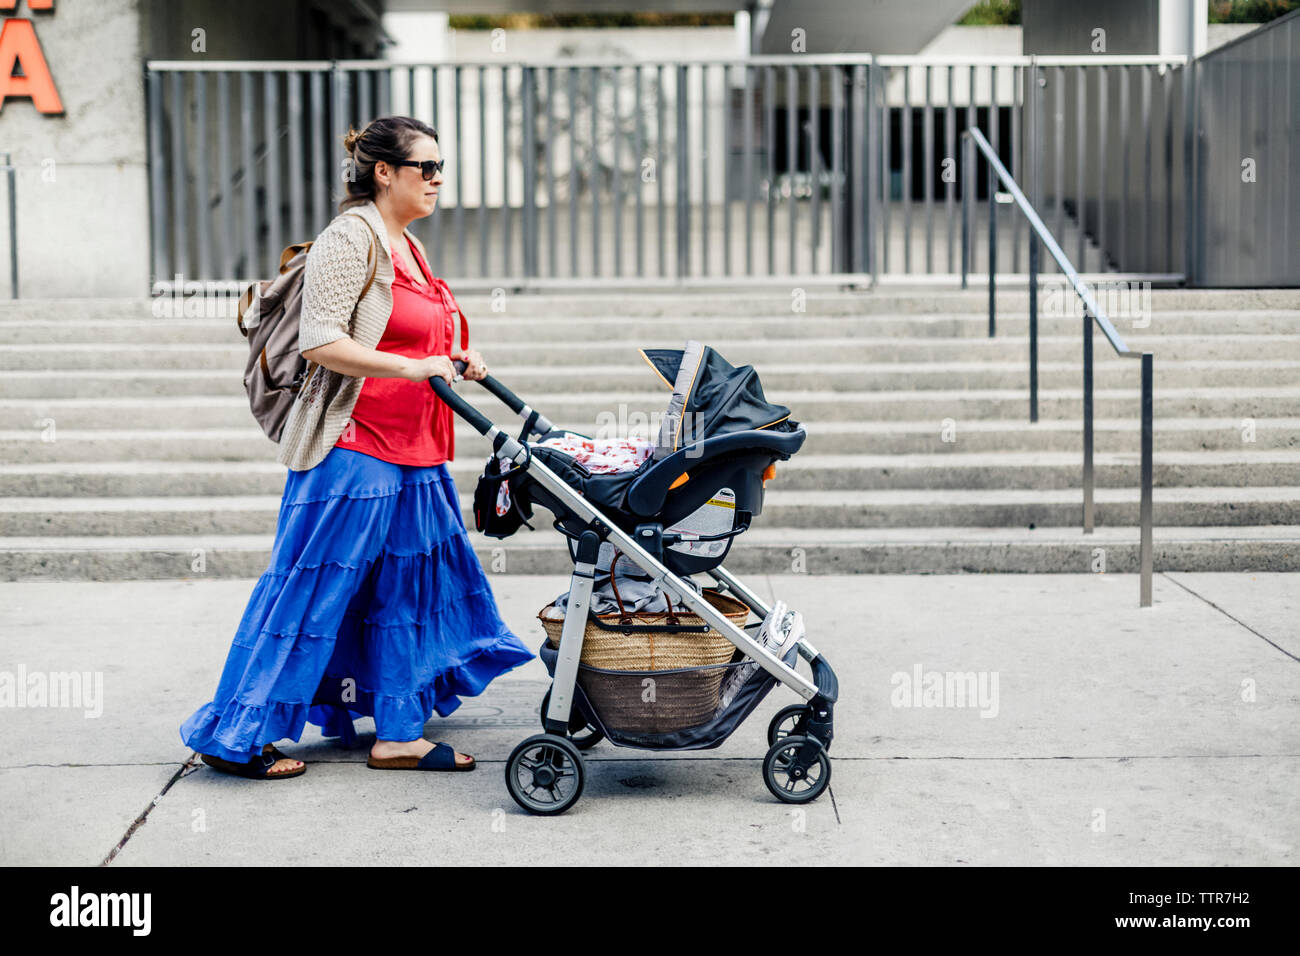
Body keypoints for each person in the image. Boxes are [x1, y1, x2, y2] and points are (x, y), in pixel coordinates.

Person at [179, 115, 533, 779]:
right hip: (356, 447)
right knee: (308, 593)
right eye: (424, 167)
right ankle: (237, 735)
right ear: (383, 172)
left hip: (417, 449)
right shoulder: (353, 236)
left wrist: (453, 357)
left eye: (440, 166)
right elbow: (320, 341)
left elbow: (410, 337)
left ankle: (398, 733)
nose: (436, 179)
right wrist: (412, 369)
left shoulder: (410, 246)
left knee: (409, 594)